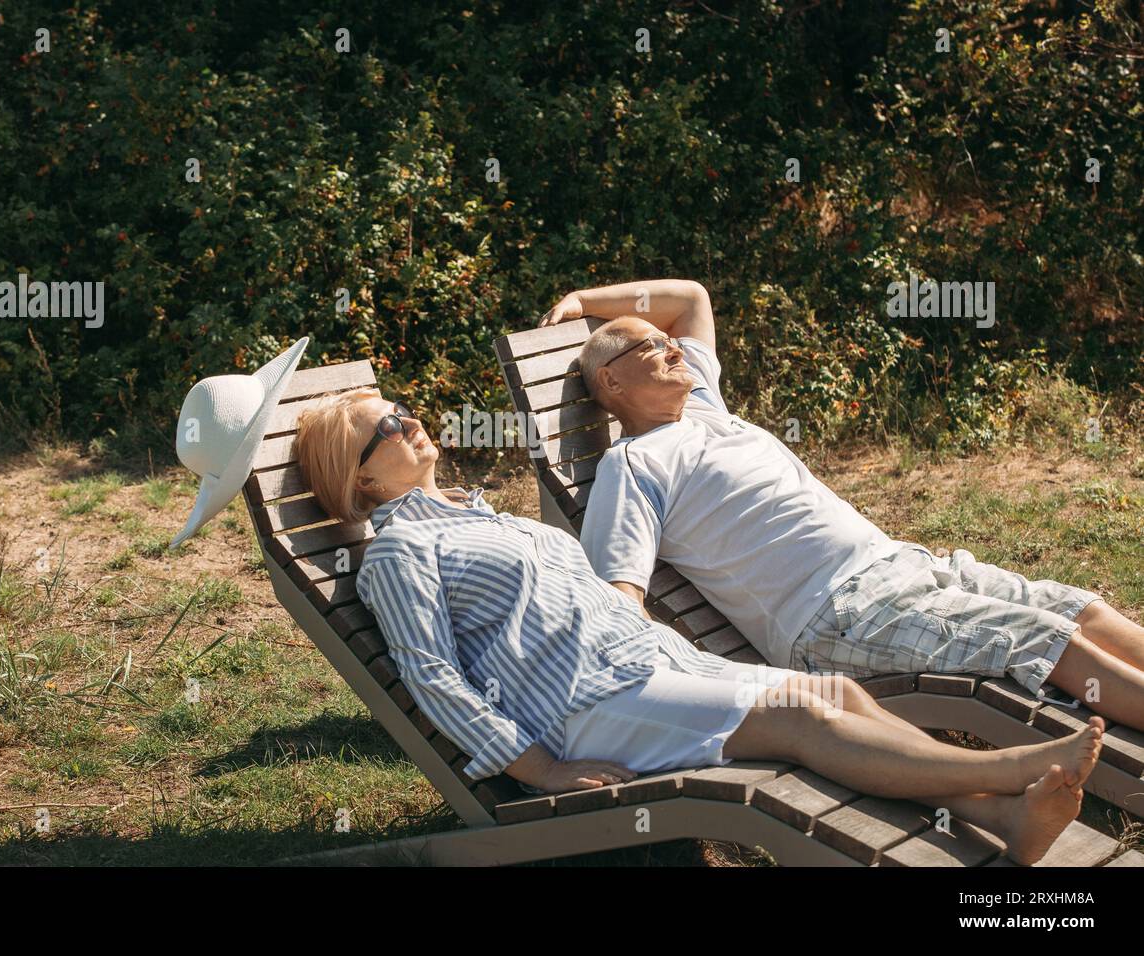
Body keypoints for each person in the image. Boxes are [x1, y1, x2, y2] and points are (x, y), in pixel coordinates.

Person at [293, 386, 1104, 864]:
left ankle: (1000, 819)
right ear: (360, 480)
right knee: (806, 719)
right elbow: (432, 674)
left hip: (647, 663)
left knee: (840, 697)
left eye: (402, 410)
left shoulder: (478, 515)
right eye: (384, 429)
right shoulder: (399, 553)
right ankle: (1012, 769)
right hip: (586, 708)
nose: (408, 423)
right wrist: (539, 768)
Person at [540, 279, 1144, 734]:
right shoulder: (632, 465)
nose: (673, 346)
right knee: (1044, 637)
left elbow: (690, 298)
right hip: (837, 618)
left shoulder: (703, 408)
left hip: (903, 565)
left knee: (1077, 608)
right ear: (611, 384)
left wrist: (583, 299)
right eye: (652, 346)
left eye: (670, 341)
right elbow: (618, 597)